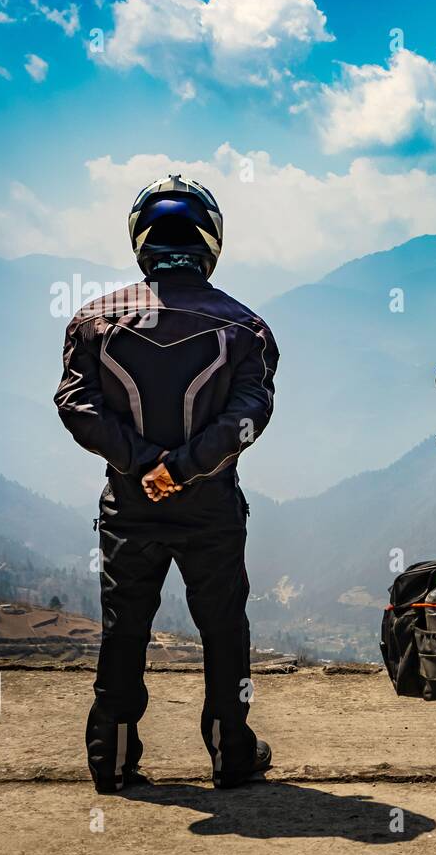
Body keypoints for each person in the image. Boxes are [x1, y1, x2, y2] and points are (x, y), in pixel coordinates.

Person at [54, 174, 279, 792]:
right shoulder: (246, 328)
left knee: (124, 627)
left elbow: (77, 406)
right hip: (209, 506)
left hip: (128, 505)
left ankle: (113, 757)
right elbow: (246, 419)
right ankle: (232, 753)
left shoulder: (94, 320)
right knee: (225, 628)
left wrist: (144, 464)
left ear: (139, 241)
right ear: (211, 240)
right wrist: (180, 468)